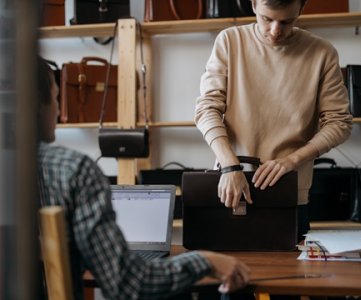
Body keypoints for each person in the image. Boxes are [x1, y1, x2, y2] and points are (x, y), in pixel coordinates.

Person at [36, 56, 250, 300]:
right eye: (55, 99)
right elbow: (129, 283)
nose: (59, 111)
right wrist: (205, 260)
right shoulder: (73, 171)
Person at [195, 0, 352, 242]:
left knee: (292, 279)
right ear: (254, 4)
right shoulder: (229, 41)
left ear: (300, 9)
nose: (276, 31)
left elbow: (339, 123)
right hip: (233, 186)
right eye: (267, 19)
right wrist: (230, 166)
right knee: (231, 277)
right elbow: (207, 109)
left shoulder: (323, 53)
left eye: (287, 22)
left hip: (290, 194)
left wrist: (292, 160)